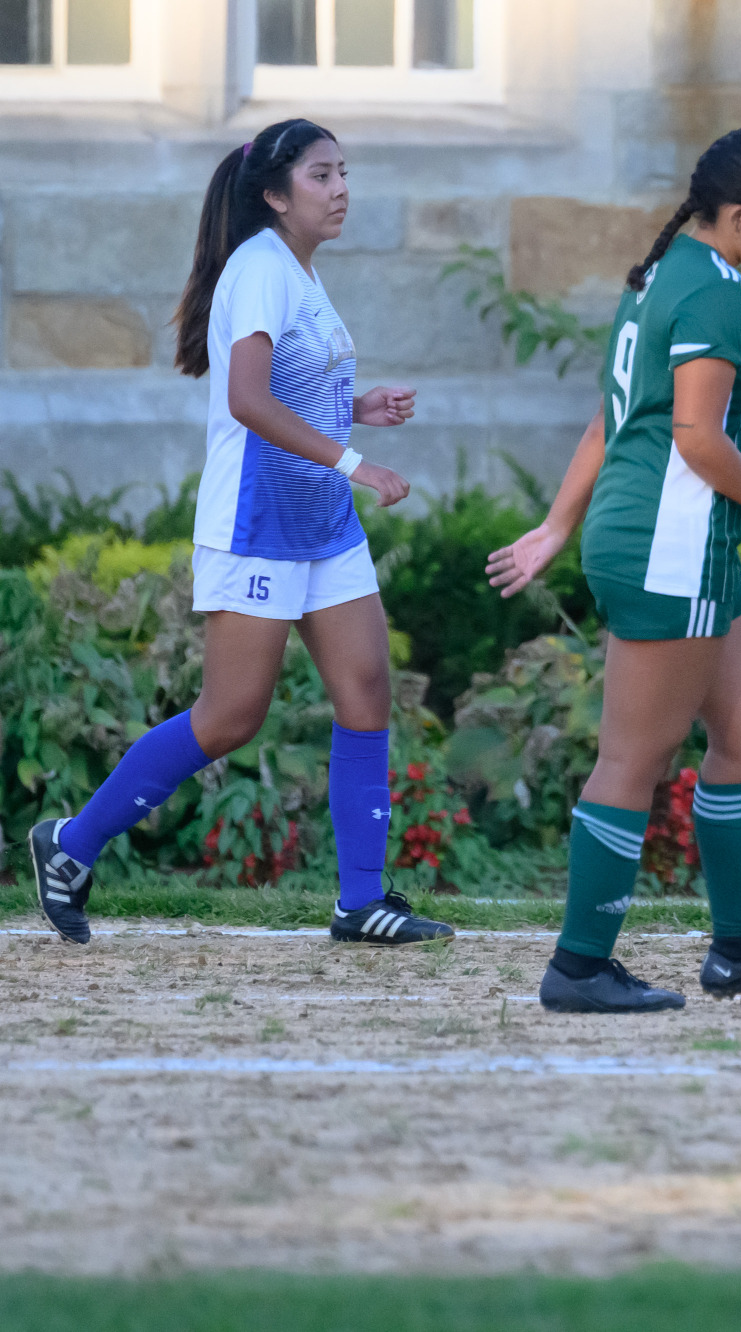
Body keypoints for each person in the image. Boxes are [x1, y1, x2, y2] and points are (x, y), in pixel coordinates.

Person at [26, 120, 449, 947]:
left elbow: (292, 390)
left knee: (365, 694)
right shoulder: (258, 270)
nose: (341, 189)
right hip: (256, 524)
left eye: (344, 173)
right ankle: (70, 847)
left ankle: (361, 902)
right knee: (229, 719)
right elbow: (248, 402)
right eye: (323, 175)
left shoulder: (299, 272)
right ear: (274, 194)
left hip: (322, 525)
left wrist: (358, 407)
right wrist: (357, 459)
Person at [485, 126, 741, 1013]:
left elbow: (614, 423)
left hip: (684, 543)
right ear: (736, 216)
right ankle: (578, 968)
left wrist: (558, 526)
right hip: (667, 545)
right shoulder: (713, 294)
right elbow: (696, 440)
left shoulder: (670, 276)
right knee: (633, 759)